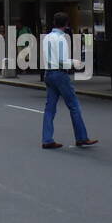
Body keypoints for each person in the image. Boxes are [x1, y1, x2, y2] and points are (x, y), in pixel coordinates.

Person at [41, 12, 97, 149]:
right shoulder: (62, 39)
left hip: (48, 73)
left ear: (54, 22)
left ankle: (47, 139)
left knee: (50, 108)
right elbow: (62, 60)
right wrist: (74, 62)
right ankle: (81, 137)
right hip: (60, 74)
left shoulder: (47, 37)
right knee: (74, 105)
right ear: (66, 24)